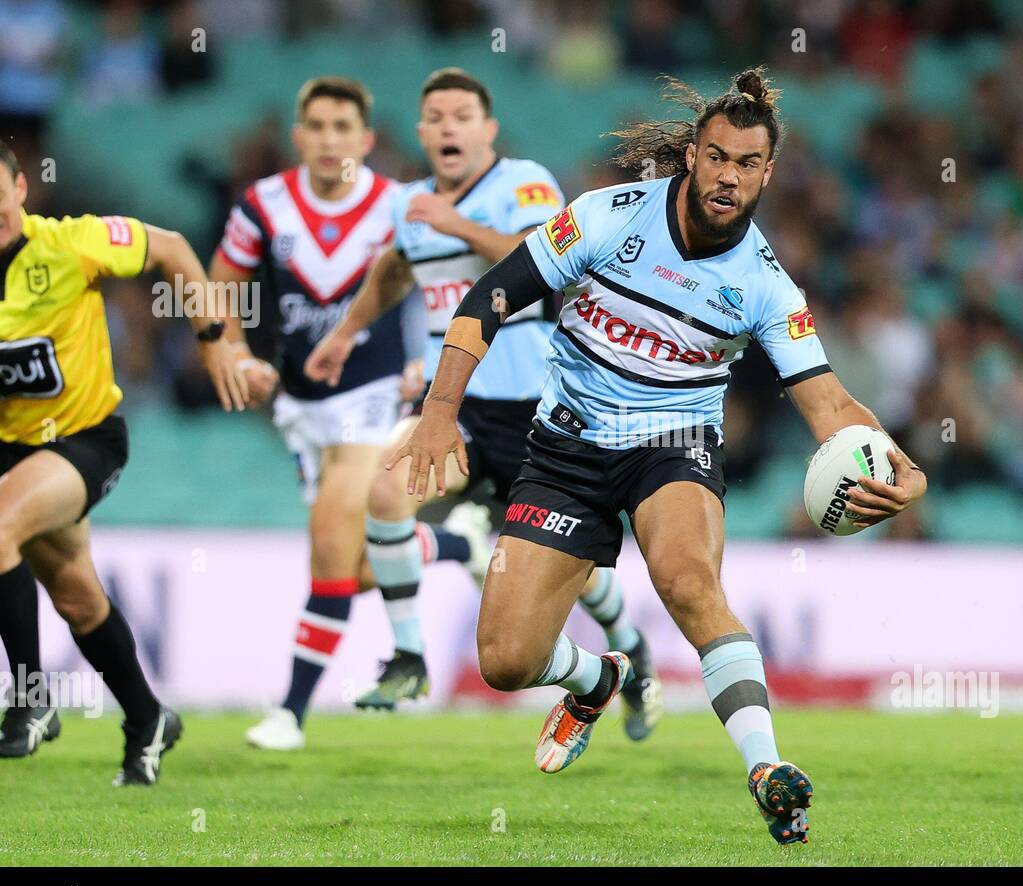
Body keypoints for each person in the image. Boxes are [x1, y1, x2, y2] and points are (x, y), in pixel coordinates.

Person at [389, 68, 926, 844]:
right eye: (716, 157)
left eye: (747, 165)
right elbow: (490, 298)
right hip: (567, 445)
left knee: (687, 581)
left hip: (673, 446)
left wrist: (902, 468)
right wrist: (439, 414)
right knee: (505, 661)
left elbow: (831, 407)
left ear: (767, 175)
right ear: (692, 156)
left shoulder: (768, 287)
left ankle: (767, 768)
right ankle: (598, 676)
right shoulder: (606, 218)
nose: (728, 176)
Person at [306, 68, 661, 737]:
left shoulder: (523, 184)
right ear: (420, 131)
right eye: (435, 116)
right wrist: (345, 334)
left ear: (487, 129)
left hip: (540, 410)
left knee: (575, 578)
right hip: (457, 409)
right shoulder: (410, 203)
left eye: (461, 115)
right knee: (384, 495)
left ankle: (633, 651)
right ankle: (409, 655)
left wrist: (457, 225)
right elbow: (395, 269)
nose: (447, 126)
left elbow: (542, 265)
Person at [208, 75, 485, 750]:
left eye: (343, 129)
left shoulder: (398, 205)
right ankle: (459, 544)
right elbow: (220, 285)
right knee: (352, 566)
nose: (330, 140)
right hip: (301, 410)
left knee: (332, 548)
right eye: (317, 127)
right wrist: (235, 353)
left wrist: (427, 354)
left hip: (375, 397)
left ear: (364, 140)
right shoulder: (262, 206)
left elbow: (447, 284)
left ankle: (291, 714)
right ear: (299, 136)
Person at [0, 142, 247, 784]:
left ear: (21, 189)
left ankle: (29, 699)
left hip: (84, 441)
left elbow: (172, 250)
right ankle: (148, 718)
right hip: (15, 451)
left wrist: (213, 340)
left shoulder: (71, 245)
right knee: (77, 598)